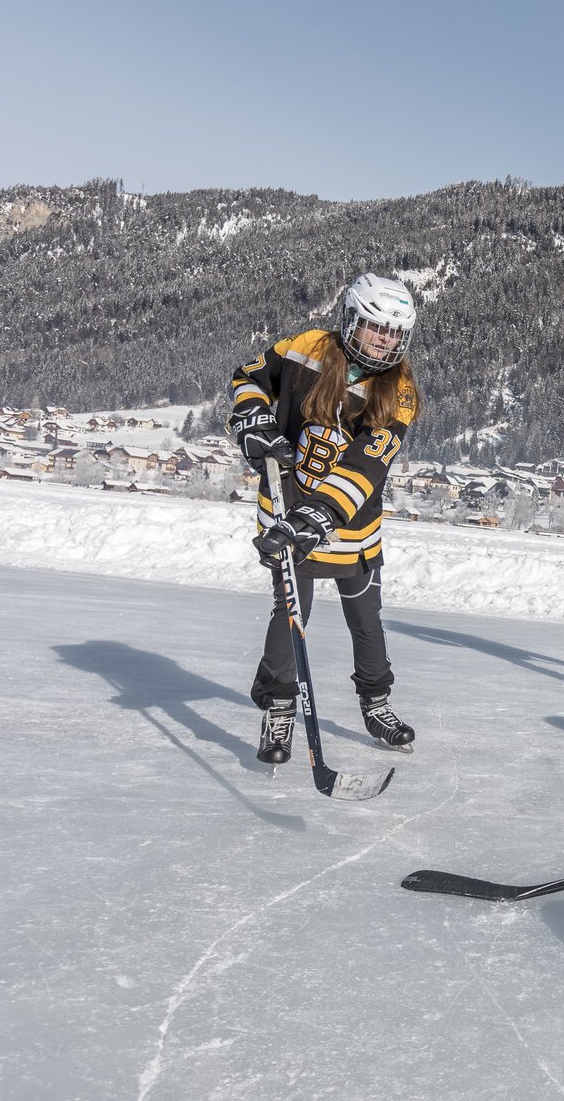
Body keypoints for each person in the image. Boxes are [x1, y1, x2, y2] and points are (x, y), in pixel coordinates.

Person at [229, 272, 422, 765]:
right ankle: (278, 709)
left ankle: (376, 703)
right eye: (377, 328)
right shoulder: (307, 346)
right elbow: (249, 377)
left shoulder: (399, 392)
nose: (386, 341)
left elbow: (366, 466)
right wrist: (253, 418)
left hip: (351, 531)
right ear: (351, 318)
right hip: (288, 513)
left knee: (366, 622)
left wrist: (320, 515)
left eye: (396, 333)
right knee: (291, 618)